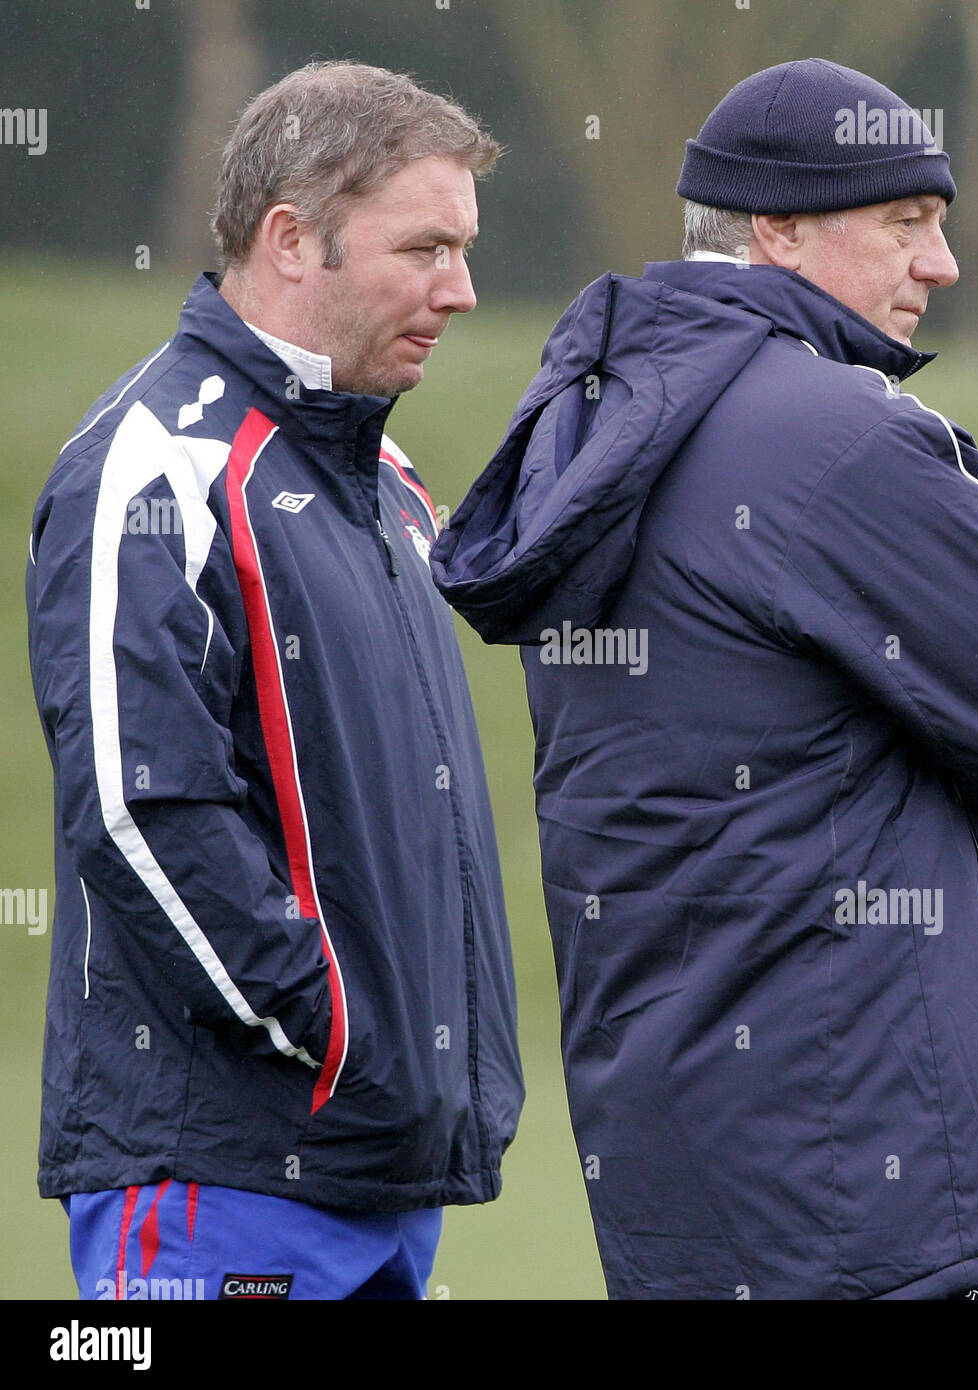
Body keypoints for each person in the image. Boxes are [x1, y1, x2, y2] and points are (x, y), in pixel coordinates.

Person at [431, 59, 978, 1299]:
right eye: (904, 225)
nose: (942, 265)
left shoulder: (586, 422)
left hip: (674, 1155)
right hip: (864, 1164)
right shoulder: (840, 434)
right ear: (775, 231)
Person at [26, 61, 523, 1302]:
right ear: (291, 238)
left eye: (464, 248)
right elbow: (144, 813)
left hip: (384, 1173)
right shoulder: (156, 465)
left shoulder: (390, 477)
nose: (461, 291)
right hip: (221, 1183)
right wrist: (339, 1031)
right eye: (426, 247)